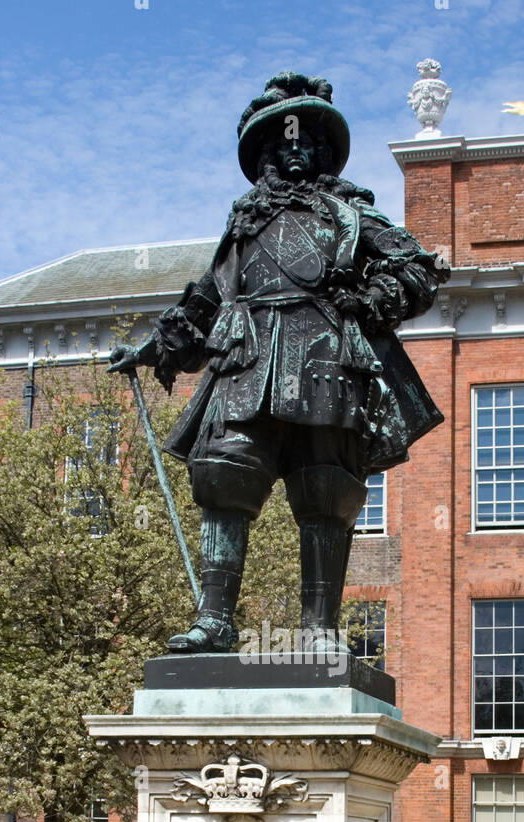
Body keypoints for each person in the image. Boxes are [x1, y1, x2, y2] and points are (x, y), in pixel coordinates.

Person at [110, 71, 449, 654]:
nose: (295, 148)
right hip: (248, 359)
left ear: (321, 152)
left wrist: (371, 300)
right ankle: (216, 621)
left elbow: (418, 268)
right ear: (267, 154)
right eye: (283, 140)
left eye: (306, 140)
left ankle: (318, 631)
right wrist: (153, 348)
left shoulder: (350, 215)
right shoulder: (245, 225)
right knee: (223, 474)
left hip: (325, 359)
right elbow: (205, 300)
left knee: (326, 490)